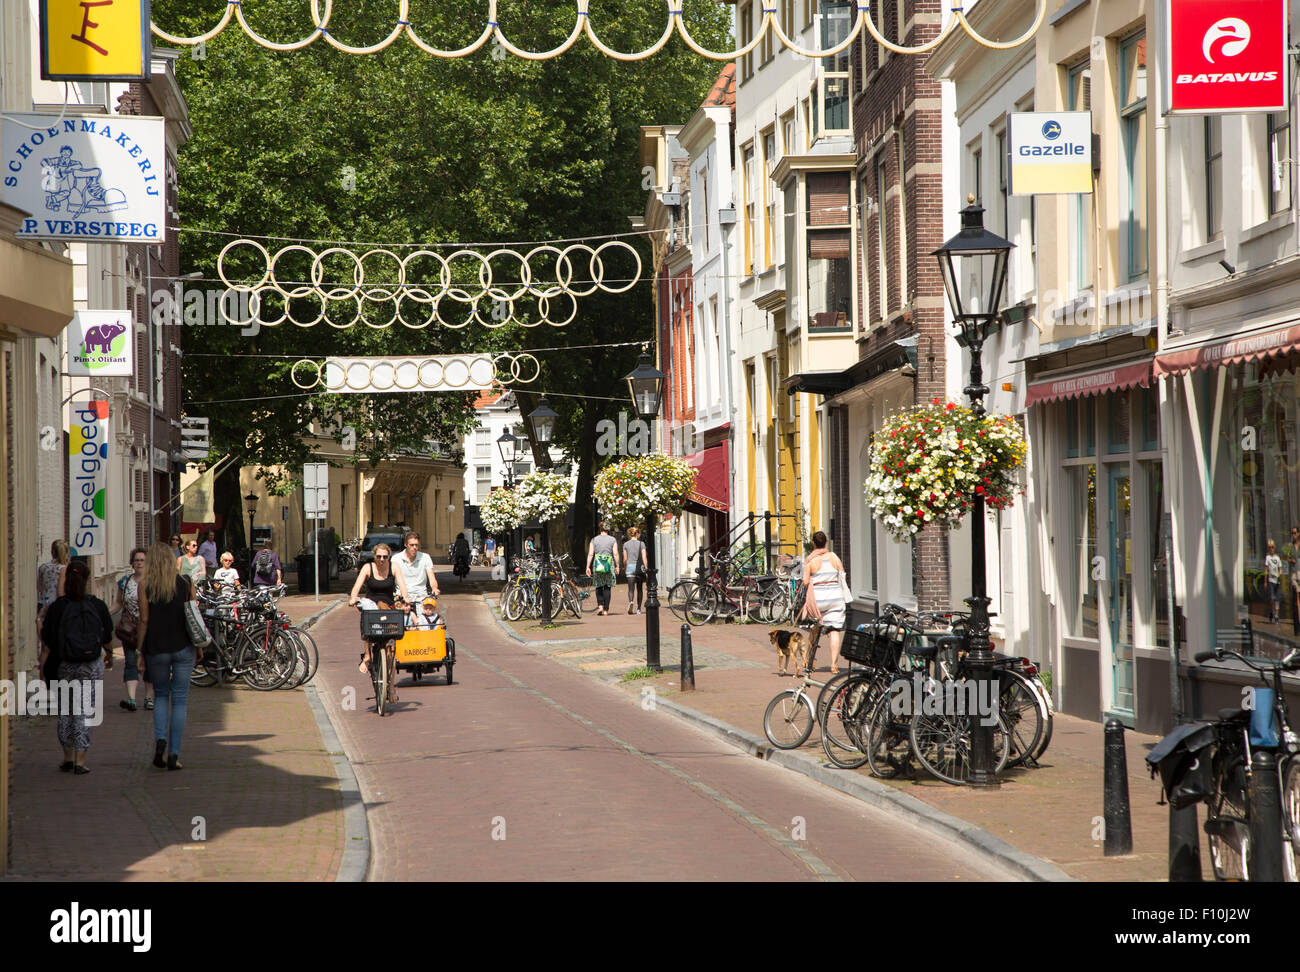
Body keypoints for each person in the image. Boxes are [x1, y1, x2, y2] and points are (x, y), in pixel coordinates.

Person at [39, 560, 113, 774]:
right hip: (90, 665)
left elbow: (48, 639)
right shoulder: (97, 605)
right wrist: (108, 654)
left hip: (65, 665)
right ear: (88, 581)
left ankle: (68, 756)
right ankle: (81, 759)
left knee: (65, 711)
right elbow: (107, 634)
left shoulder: (58, 607)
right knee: (83, 710)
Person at [137, 542, 197, 771]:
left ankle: (160, 739)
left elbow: (144, 620)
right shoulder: (185, 583)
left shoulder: (145, 586)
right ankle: (174, 754)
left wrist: (140, 651)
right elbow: (193, 615)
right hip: (183, 646)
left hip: (157, 649)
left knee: (161, 695)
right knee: (180, 699)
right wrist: (199, 646)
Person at [348, 542, 410, 694]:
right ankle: (368, 656)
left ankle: (392, 688)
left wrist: (406, 598)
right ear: (374, 556)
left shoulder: (394, 567)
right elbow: (356, 587)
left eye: (385, 557)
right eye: (379, 556)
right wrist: (353, 598)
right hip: (371, 605)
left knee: (391, 652)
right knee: (367, 616)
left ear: (389, 557)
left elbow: (402, 586)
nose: (382, 559)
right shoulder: (368, 568)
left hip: (387, 607)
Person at [801, 531, 848, 673]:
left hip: (818, 600)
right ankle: (834, 665)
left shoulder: (811, 561)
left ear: (814, 543)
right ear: (826, 542)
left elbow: (805, 582)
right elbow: (842, 573)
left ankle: (810, 661)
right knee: (835, 631)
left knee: (814, 630)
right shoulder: (834, 557)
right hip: (835, 598)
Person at [116, 547, 153, 712]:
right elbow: (119, 603)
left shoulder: (152, 582)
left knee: (149, 663)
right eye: (136, 560)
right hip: (129, 630)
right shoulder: (125, 581)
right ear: (132, 563)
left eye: (142, 560)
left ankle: (148, 698)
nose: (139, 563)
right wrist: (103, 613)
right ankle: (131, 699)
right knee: (130, 662)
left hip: (149, 629)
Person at [36, 539, 70, 646]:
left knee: (45, 645)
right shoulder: (63, 569)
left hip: (44, 605)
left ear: (52, 552)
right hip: (57, 606)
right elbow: (60, 592)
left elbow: (39, 587)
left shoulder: (43, 567)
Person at [393, 531, 439, 602]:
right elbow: (390, 578)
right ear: (405, 544)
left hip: (421, 596)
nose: (414, 547)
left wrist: (434, 588)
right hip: (402, 597)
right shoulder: (396, 559)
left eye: (416, 545)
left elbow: (432, 578)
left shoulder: (425, 557)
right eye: (411, 545)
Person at [585, 522, 619, 616]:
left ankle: (600, 605)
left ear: (600, 529)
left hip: (597, 564)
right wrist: (617, 566)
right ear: (608, 529)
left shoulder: (594, 540)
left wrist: (588, 566)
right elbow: (615, 553)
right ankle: (606, 610)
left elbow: (591, 554)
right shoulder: (612, 540)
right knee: (607, 587)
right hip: (608, 564)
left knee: (599, 586)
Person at [622, 526, 646, 615]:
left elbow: (625, 559)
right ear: (638, 534)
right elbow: (644, 557)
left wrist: (625, 567)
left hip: (630, 566)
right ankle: (639, 608)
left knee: (631, 588)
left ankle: (631, 601)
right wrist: (646, 568)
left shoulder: (626, 544)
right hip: (639, 567)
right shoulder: (641, 544)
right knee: (639, 588)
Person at [1285, 526, 1300, 634]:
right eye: (1292, 533)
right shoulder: (1289, 546)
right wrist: (1291, 560)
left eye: (1295, 533)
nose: (1293, 535)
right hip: (1294, 573)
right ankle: (1297, 625)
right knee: (1296, 598)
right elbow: (1285, 557)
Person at [1265, 539, 1283, 624]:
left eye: (1272, 547)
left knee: (1277, 599)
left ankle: (1276, 615)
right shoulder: (1268, 557)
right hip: (1270, 580)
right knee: (1272, 599)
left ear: (1274, 548)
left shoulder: (1277, 558)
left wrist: (1279, 575)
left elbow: (1280, 569)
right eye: (1270, 547)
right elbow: (1266, 570)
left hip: (1277, 581)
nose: (1271, 549)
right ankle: (1272, 612)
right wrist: (1265, 581)